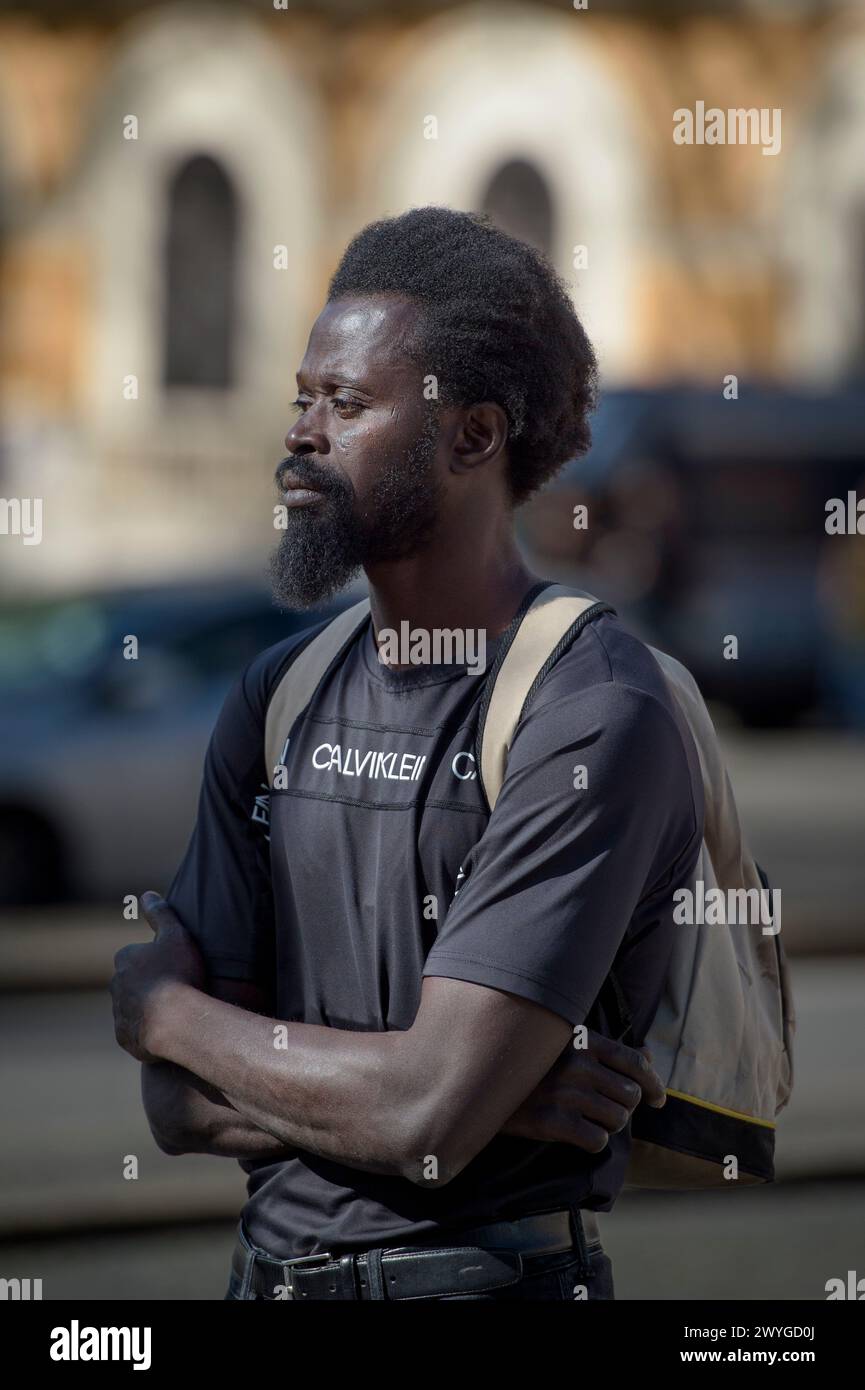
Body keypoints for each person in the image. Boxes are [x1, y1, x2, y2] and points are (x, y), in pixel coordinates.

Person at [110, 207, 704, 1302]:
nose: (300, 433)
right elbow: (174, 1108)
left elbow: (420, 1112)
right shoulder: (277, 693)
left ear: (472, 435)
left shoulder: (588, 709)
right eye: (301, 399)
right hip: (265, 1281)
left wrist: (173, 1014)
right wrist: (463, 1094)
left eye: (345, 403)